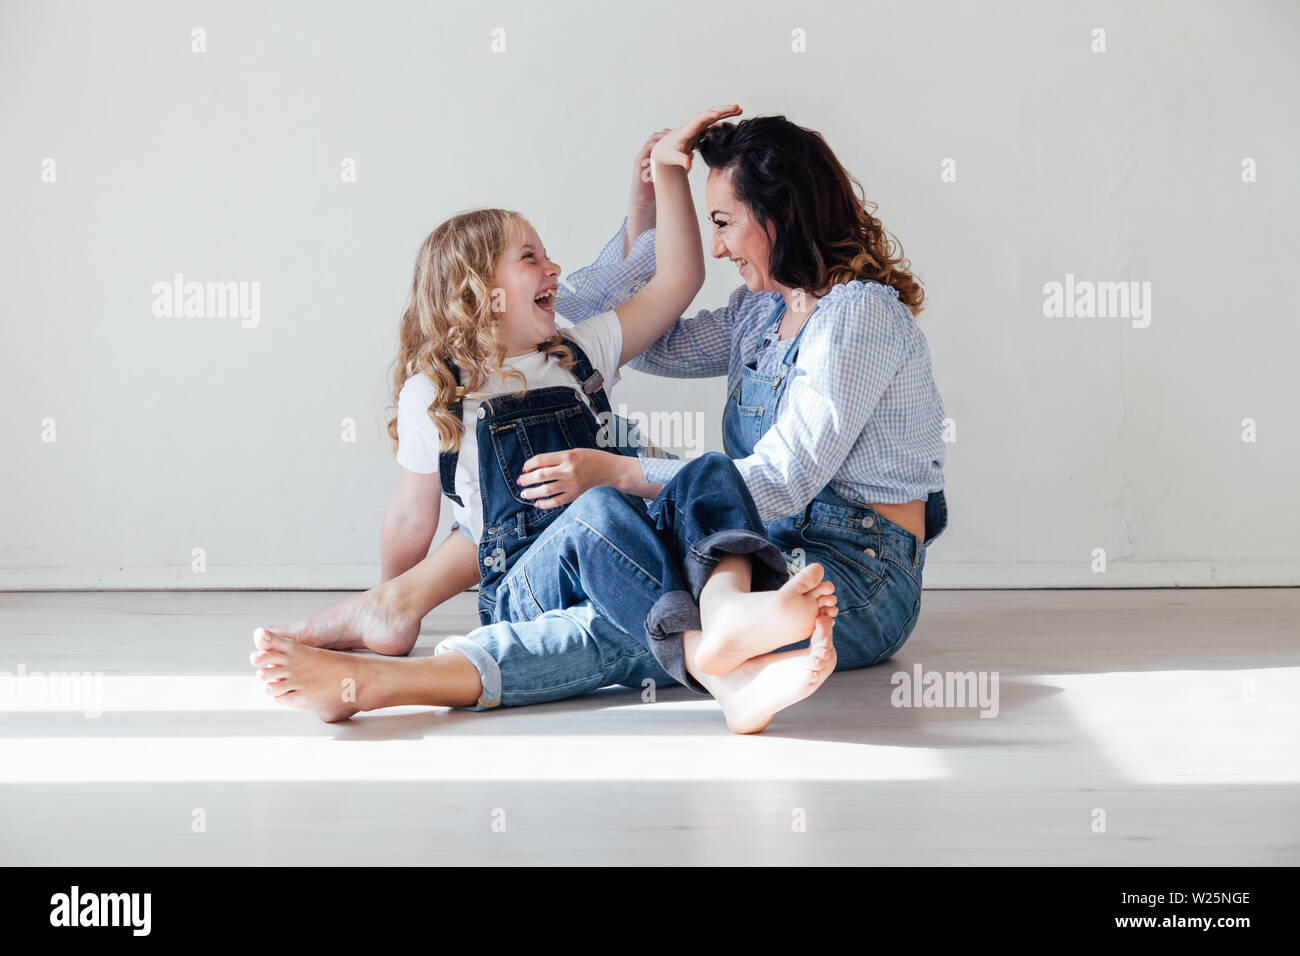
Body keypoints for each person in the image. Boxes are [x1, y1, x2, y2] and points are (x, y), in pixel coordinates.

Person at [251, 107, 840, 735]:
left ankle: (725, 613)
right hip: (526, 585)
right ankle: (716, 664)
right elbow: (409, 515)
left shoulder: (577, 349)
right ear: (477, 292)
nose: (555, 268)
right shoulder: (436, 392)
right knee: (602, 507)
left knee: (707, 471)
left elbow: (679, 279)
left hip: (625, 561)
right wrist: (394, 597)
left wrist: (669, 174)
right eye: (530, 257)